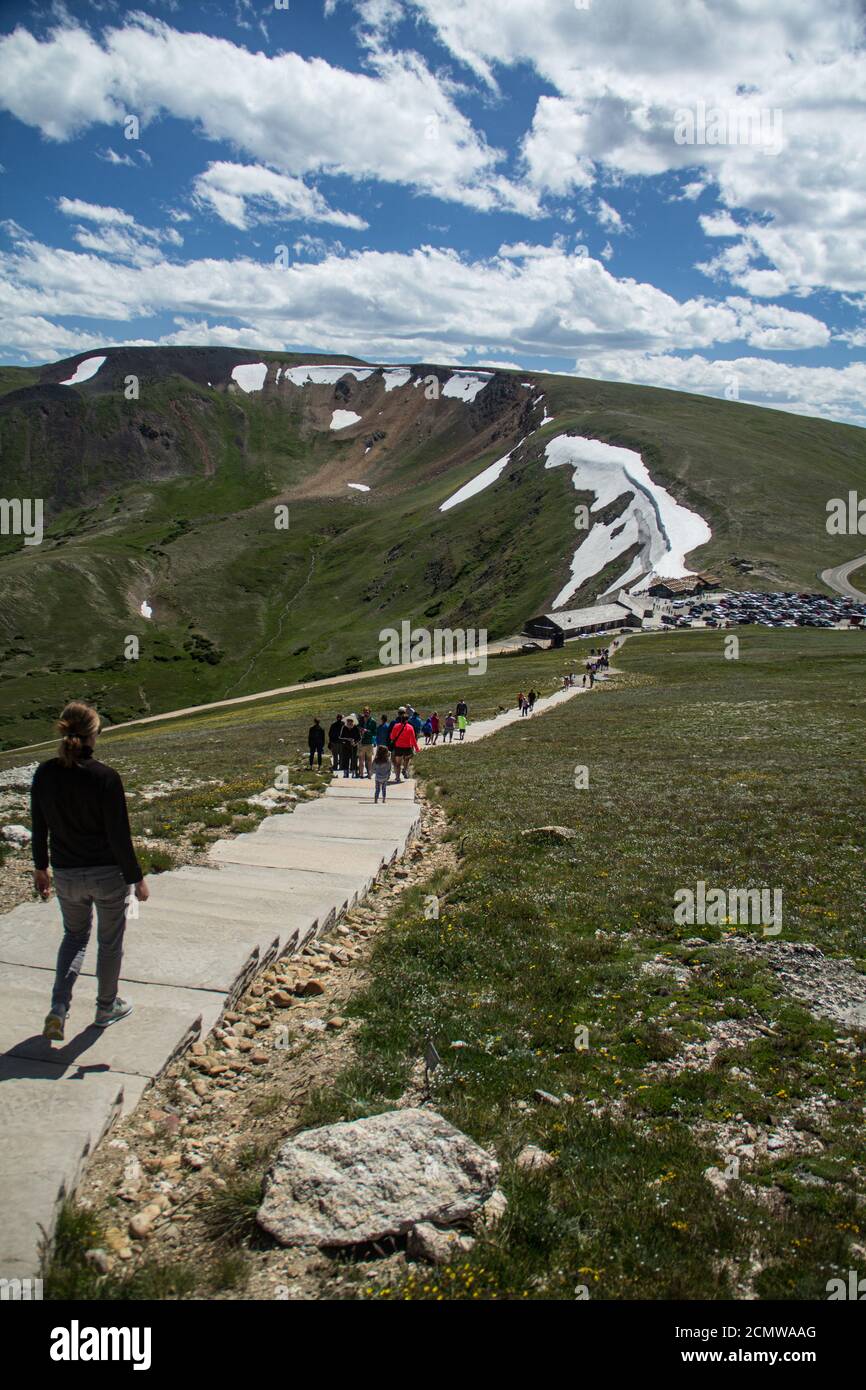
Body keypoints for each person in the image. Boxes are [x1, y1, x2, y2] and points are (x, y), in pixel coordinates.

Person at [31, 701, 149, 1041]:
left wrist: (41, 867)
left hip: (66, 873)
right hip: (107, 874)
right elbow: (118, 835)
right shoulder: (106, 778)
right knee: (109, 942)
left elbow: (39, 827)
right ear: (93, 734)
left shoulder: (45, 773)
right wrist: (136, 877)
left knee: (74, 937)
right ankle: (105, 1006)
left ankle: (58, 1008)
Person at [389, 707, 419, 780]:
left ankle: (397, 777)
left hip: (398, 747)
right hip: (407, 747)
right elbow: (413, 739)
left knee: (398, 763)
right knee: (407, 759)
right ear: (407, 719)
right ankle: (405, 769)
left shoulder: (396, 726)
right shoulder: (410, 727)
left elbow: (392, 737)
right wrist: (417, 749)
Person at [357, 706, 377, 778]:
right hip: (361, 742)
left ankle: (369, 774)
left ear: (370, 712)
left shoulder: (373, 721)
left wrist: (367, 731)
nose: (366, 713)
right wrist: (360, 730)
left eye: (367, 712)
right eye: (365, 712)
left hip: (369, 742)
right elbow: (357, 728)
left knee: (369, 760)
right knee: (361, 760)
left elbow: (375, 733)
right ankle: (361, 774)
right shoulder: (360, 720)